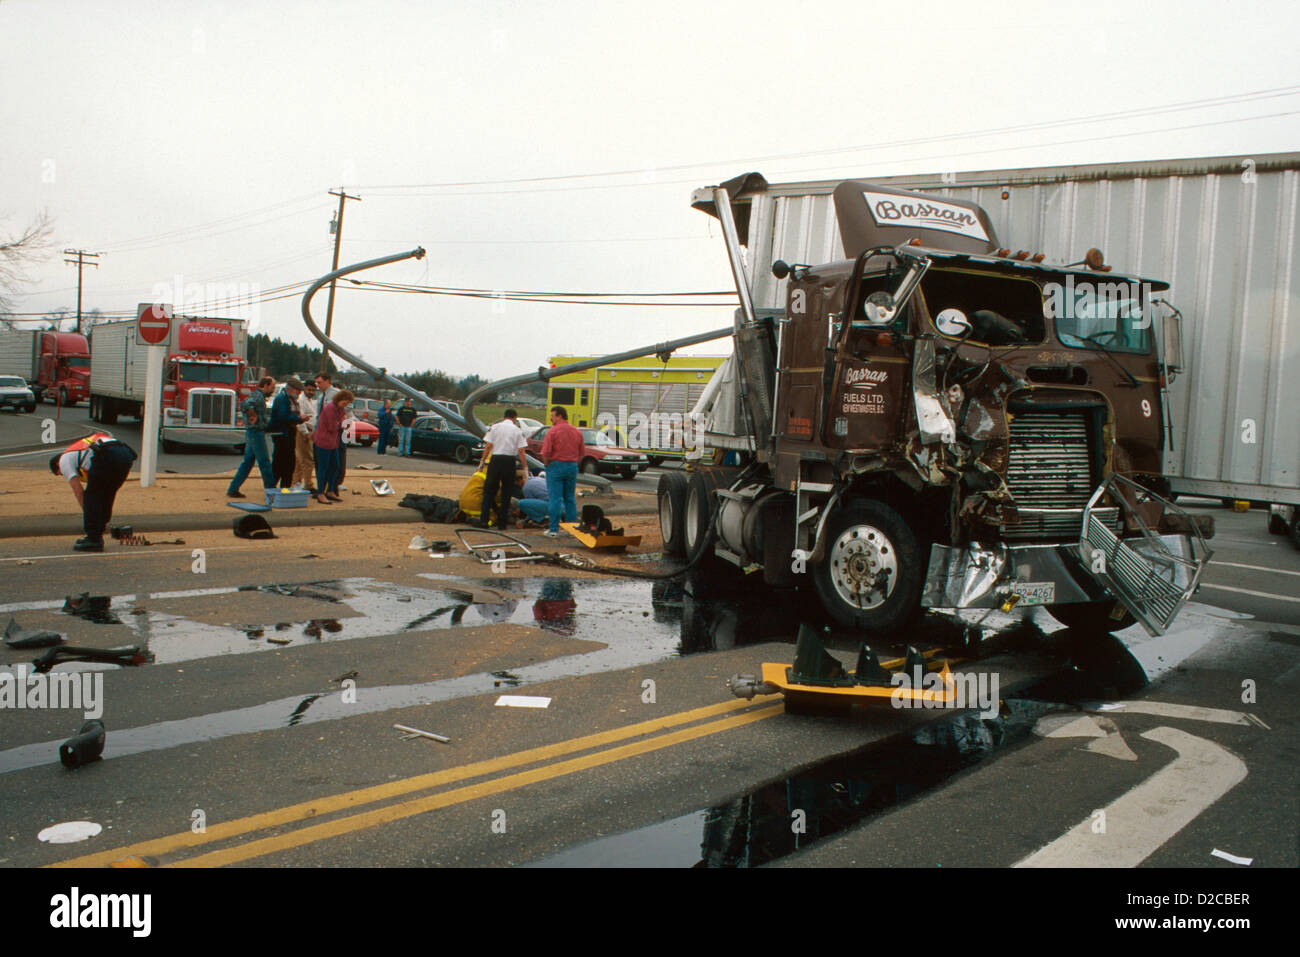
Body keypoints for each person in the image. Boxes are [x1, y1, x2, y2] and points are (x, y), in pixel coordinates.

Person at [49, 432, 137, 552]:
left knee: (92, 497)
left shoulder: (64, 460)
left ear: (57, 464)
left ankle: (93, 540)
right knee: (107, 494)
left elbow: (79, 491)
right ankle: (97, 532)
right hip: (125, 453)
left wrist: (89, 514)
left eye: (60, 473)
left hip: (106, 453)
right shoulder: (79, 452)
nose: (64, 474)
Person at [479, 409, 529, 530]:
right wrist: (525, 467)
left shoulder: (494, 427)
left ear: (504, 416)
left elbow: (488, 446)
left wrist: (481, 462)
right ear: (514, 418)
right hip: (509, 461)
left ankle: (484, 521)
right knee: (506, 493)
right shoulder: (517, 430)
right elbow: (521, 451)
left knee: (489, 491)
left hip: (495, 460)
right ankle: (502, 523)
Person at [228, 376, 276, 498]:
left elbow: (245, 403)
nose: (273, 390)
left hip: (252, 432)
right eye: (272, 387)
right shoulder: (258, 396)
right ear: (265, 385)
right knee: (264, 462)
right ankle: (271, 492)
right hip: (256, 432)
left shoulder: (257, 395)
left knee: (248, 462)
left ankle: (233, 489)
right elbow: (246, 404)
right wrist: (253, 415)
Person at [540, 405, 582, 538]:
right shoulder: (577, 431)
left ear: (559, 416)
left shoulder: (552, 432)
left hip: (556, 466)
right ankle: (572, 529)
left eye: (552, 416)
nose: (551, 418)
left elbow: (545, 453)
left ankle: (553, 529)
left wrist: (547, 465)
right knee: (570, 498)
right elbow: (582, 453)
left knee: (555, 499)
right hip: (572, 466)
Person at [313, 389, 353, 504]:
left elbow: (341, 423)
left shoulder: (340, 409)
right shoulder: (330, 408)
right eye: (344, 403)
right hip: (324, 442)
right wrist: (342, 423)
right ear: (339, 399)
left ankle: (330, 490)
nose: (345, 406)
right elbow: (332, 427)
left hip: (333, 442)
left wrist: (341, 423)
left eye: (346, 404)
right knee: (323, 468)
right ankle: (320, 493)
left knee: (335, 466)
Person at [269, 377, 303, 488]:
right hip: (282, 434)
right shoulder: (282, 399)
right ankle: (275, 488)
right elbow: (283, 416)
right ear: (291, 389)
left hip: (288, 433)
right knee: (281, 463)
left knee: (287, 463)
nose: (299, 394)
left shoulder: (289, 399)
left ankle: (283, 487)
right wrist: (298, 418)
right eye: (298, 391)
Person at [293, 379, 318, 490]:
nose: (311, 392)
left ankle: (297, 482)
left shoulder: (311, 401)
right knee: (307, 459)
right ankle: (308, 484)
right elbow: (300, 418)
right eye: (309, 389)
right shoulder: (301, 400)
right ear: (304, 389)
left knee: (300, 459)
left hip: (310, 430)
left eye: (313, 390)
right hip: (304, 431)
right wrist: (306, 433)